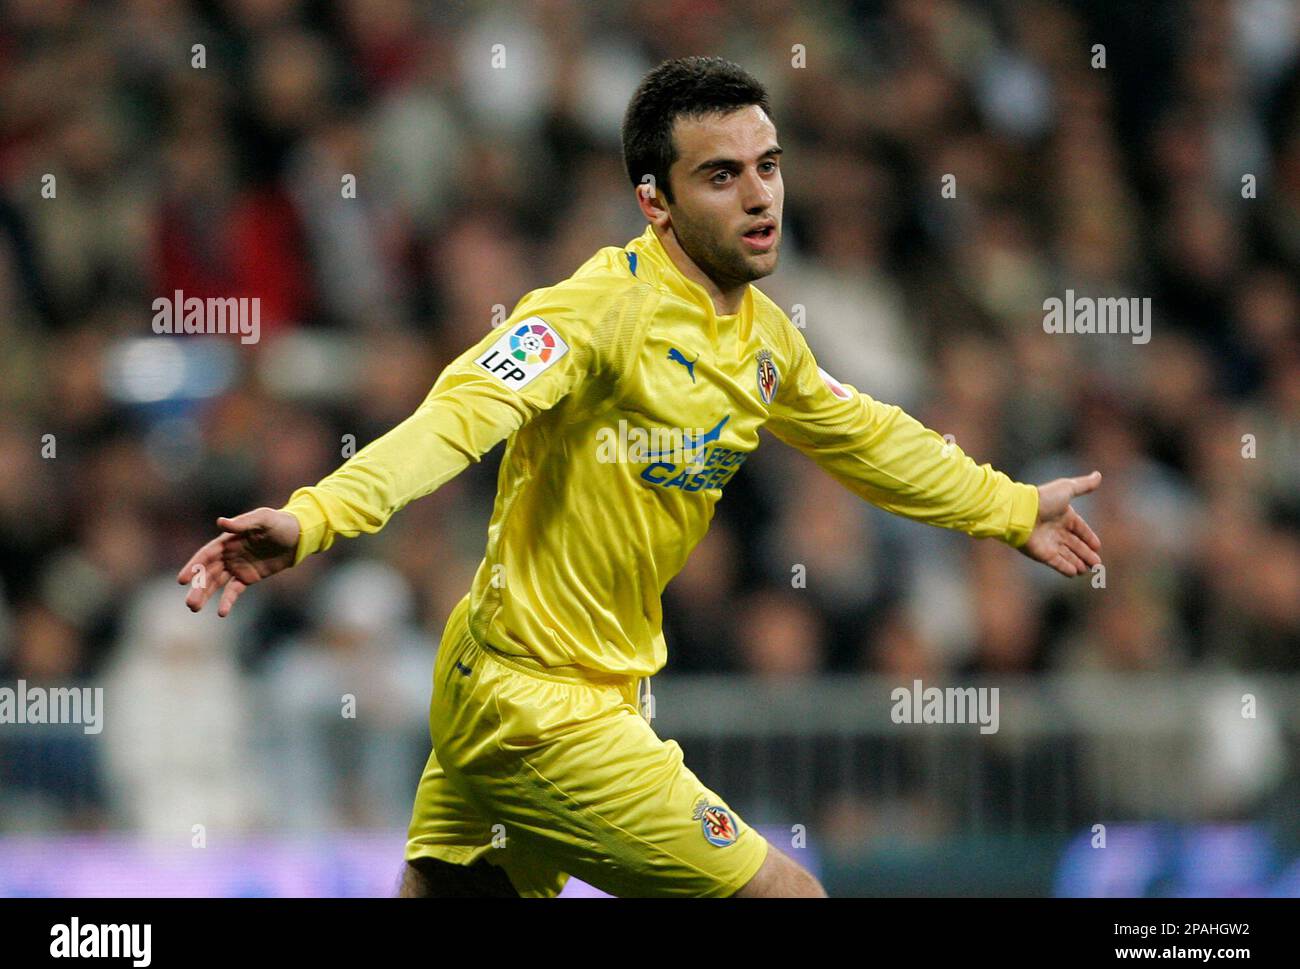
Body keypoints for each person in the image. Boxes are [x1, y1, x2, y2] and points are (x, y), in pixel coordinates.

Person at [178, 56, 1102, 898]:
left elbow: (864, 436)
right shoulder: (592, 314)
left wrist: (1012, 505)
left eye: (768, 166)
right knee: (789, 896)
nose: (758, 197)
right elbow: (457, 417)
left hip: (536, 682)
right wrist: (317, 515)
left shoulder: (763, 338)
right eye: (721, 175)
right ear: (655, 202)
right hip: (539, 705)